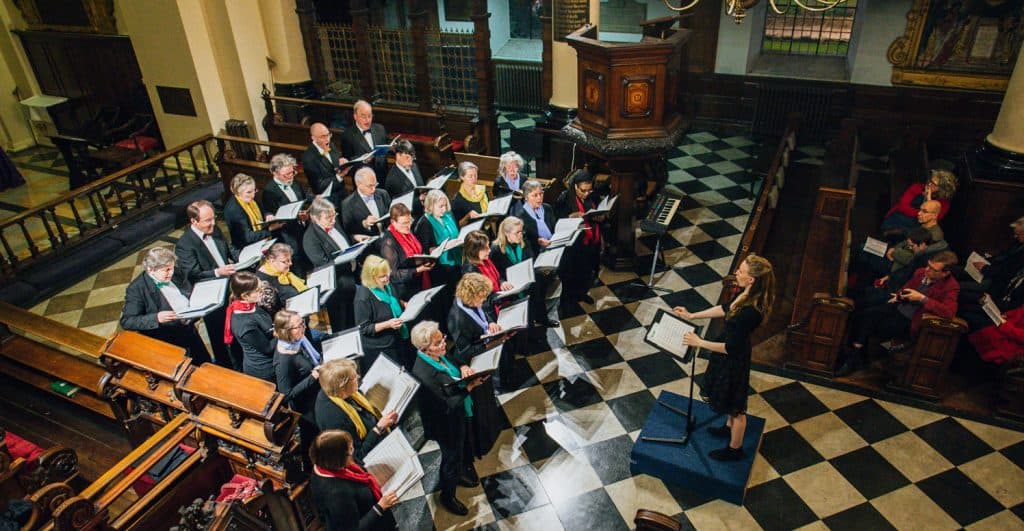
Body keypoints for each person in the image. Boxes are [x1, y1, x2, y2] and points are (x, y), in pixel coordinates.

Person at [675, 254, 775, 461]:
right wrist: (692, 315)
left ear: (751, 279)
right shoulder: (745, 293)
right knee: (728, 398)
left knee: (736, 407)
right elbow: (725, 308)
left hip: (734, 357)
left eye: (741, 271)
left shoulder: (751, 311)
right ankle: (728, 428)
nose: (736, 273)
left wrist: (700, 342)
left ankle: (735, 449)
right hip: (728, 351)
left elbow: (731, 348)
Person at [410, 321, 488, 516]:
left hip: (457, 415)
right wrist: (469, 387)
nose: (444, 344)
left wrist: (463, 366)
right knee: (451, 458)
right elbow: (446, 405)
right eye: (437, 343)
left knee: (459, 451)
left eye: (443, 338)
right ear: (424, 349)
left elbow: (451, 358)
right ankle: (448, 495)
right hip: (445, 425)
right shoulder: (425, 374)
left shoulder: (438, 355)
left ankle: (459, 473)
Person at [840, 250, 960, 376]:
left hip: (911, 321)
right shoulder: (920, 272)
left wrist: (922, 299)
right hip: (898, 308)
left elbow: (949, 312)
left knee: (870, 322)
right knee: (863, 314)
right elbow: (905, 288)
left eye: (933, 269)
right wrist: (899, 296)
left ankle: (854, 358)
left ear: (945, 273)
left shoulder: (951, 286)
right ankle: (856, 356)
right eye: (928, 265)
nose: (927, 269)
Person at [120, 247, 212, 365]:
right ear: (150, 270)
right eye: (166, 270)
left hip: (189, 331)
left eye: (172, 268)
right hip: (167, 340)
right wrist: (156, 318)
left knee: (205, 364)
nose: (171, 273)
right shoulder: (137, 289)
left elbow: (188, 286)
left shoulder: (175, 272)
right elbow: (127, 321)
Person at [174, 199, 236, 368]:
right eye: (208, 220)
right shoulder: (184, 245)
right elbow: (192, 274)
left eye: (214, 218)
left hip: (230, 286)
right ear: (194, 221)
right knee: (220, 335)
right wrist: (217, 272)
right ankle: (227, 367)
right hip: (212, 295)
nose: (213, 223)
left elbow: (228, 250)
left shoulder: (215, 230)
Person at [309, 430, 399, 531]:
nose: (353, 451)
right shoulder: (337, 494)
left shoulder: (323, 462)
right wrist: (380, 507)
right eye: (350, 450)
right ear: (338, 459)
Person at [313, 359, 398, 461]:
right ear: (342, 386)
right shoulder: (337, 419)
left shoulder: (332, 389)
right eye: (353, 377)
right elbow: (358, 456)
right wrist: (379, 428)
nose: (358, 377)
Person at [303, 197, 362, 331]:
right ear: (316, 218)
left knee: (353, 318)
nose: (333, 220)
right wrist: (346, 258)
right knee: (342, 324)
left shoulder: (333, 223)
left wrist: (354, 240)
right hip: (336, 287)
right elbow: (323, 265)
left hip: (349, 278)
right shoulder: (310, 238)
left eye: (334, 215)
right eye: (328, 218)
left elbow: (341, 242)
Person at [492, 216, 558, 328]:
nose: (520, 235)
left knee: (538, 294)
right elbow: (495, 273)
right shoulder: (496, 250)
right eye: (517, 233)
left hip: (528, 279)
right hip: (511, 286)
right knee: (526, 319)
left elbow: (531, 260)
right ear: (506, 233)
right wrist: (502, 282)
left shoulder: (524, 242)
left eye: (521, 232)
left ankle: (542, 318)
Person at [555, 170, 603, 305]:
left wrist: (601, 217)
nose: (586, 193)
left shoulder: (593, 196)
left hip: (591, 240)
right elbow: (556, 220)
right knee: (572, 273)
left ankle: (582, 293)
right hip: (574, 244)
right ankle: (569, 299)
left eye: (589, 190)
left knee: (587, 272)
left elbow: (599, 211)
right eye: (583, 190)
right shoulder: (564, 198)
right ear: (575, 186)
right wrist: (570, 216)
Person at [260, 153, 311, 275]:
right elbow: (273, 216)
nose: (290, 176)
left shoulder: (294, 183)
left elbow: (302, 201)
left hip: (302, 230)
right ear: (275, 173)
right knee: (297, 266)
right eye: (286, 174)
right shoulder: (269, 191)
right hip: (287, 235)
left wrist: (305, 213)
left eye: (292, 172)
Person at [354, 255, 408, 370]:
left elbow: (392, 299)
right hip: (380, 348)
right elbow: (364, 328)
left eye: (387, 273)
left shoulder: (387, 285)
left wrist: (403, 304)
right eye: (382, 276)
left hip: (396, 339)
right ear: (371, 277)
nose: (387, 278)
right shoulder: (363, 298)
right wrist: (388, 324)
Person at [225, 271, 276, 381]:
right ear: (245, 296)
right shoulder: (244, 324)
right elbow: (267, 348)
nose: (262, 291)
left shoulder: (250, 304)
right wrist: (284, 329)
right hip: (266, 369)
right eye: (258, 290)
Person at [274, 309, 323, 419]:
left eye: (302, 323)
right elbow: (286, 395)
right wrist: (312, 377)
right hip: (307, 404)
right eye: (298, 326)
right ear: (286, 331)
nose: (304, 327)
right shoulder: (283, 362)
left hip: (317, 390)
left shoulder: (298, 340)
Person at [380, 203, 433, 301]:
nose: (408, 226)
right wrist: (417, 270)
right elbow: (393, 275)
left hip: (418, 282)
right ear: (393, 222)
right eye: (404, 223)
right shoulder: (388, 242)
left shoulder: (405, 231)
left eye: (409, 222)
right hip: (405, 290)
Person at [882, 169, 958, 234]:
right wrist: (921, 214)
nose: (929, 184)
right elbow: (903, 207)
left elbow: (932, 220)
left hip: (918, 228)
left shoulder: (944, 204)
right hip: (900, 217)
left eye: (934, 184)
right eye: (930, 181)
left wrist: (928, 199)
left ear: (942, 189)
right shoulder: (917, 187)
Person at [223, 173, 282, 255]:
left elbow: (262, 210)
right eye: (249, 192)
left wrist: (267, 214)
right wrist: (270, 229)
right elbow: (247, 237)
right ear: (238, 192)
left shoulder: (249, 199)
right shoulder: (234, 209)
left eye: (254, 190)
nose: (253, 195)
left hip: (259, 239)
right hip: (245, 248)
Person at [414, 189, 462, 288]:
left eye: (445, 205)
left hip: (458, 260)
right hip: (441, 269)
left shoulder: (448, 215)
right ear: (431, 206)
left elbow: (458, 232)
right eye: (441, 206)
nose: (444, 209)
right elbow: (425, 252)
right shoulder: (424, 223)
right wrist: (444, 246)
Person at [302, 122, 350, 209]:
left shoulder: (331, 145)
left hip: (342, 194)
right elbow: (318, 186)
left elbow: (335, 165)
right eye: (323, 136)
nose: (327, 139)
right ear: (314, 138)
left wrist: (342, 163)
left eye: (328, 135)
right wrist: (339, 176)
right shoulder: (308, 158)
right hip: (327, 202)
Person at [340, 100, 389, 181]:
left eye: (369, 116)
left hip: (382, 178)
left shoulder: (380, 129)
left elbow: (386, 148)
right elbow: (347, 162)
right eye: (363, 116)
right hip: (363, 181)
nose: (367, 120)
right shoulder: (347, 135)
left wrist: (394, 148)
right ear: (355, 116)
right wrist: (363, 159)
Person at [341, 167, 391, 240]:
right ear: (358, 184)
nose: (373, 189)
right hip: (370, 242)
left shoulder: (383, 194)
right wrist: (364, 224)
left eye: (375, 184)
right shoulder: (347, 204)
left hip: (389, 237)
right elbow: (348, 231)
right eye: (370, 186)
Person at [256, 243, 306, 313]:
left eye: (290, 259)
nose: (290, 263)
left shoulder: (279, 269)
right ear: (272, 260)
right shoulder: (263, 283)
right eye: (285, 261)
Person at [383, 139, 424, 217]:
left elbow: (420, 186)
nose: (411, 162)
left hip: (422, 210)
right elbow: (401, 206)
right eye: (407, 158)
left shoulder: (414, 166)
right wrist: (420, 199)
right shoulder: (392, 179)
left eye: (413, 157)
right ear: (398, 155)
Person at [516, 179, 556, 257]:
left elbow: (554, 228)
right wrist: (537, 241)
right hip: (536, 252)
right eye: (535, 195)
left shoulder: (547, 208)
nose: (539, 198)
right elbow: (523, 240)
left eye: (541, 194)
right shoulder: (520, 216)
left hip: (554, 245)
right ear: (526, 197)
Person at [451, 161, 488, 227]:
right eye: (470, 176)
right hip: (473, 231)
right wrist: (468, 216)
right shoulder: (457, 200)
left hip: (486, 227)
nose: (474, 179)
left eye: (475, 175)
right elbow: (458, 225)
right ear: (462, 177)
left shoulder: (482, 190)